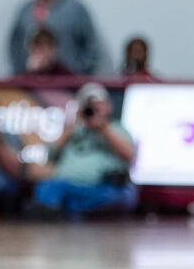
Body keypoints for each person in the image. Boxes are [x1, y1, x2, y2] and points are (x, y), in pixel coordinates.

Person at [33, 84, 137, 216]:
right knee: (46, 187)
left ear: (109, 106)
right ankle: (59, 210)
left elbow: (128, 155)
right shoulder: (74, 130)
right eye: (88, 106)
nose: (93, 110)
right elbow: (50, 155)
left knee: (125, 195)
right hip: (67, 186)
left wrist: (103, 128)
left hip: (101, 189)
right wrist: (73, 125)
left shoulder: (117, 129)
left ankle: (66, 209)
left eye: (97, 105)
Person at [7, 0, 105, 76]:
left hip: (67, 83)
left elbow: (91, 46)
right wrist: (22, 71)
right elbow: (14, 44)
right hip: (31, 83)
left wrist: (77, 74)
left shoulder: (75, 9)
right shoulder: (27, 10)